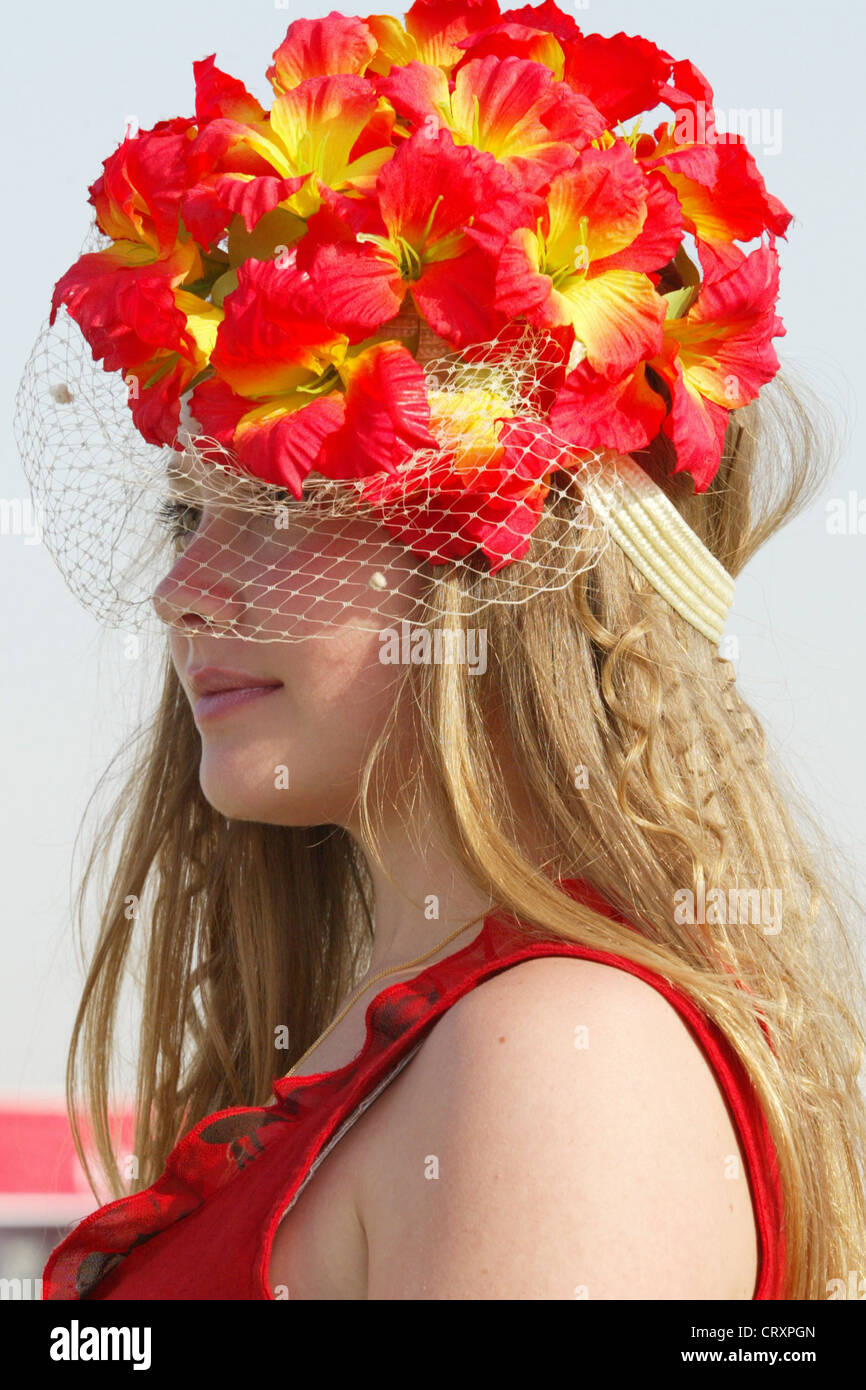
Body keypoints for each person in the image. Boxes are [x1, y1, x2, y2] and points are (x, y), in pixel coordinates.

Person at [17, 0, 866, 1300]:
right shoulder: (457, 1046)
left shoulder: (555, 1061)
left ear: (500, 537)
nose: (180, 592)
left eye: (287, 503)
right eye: (198, 513)